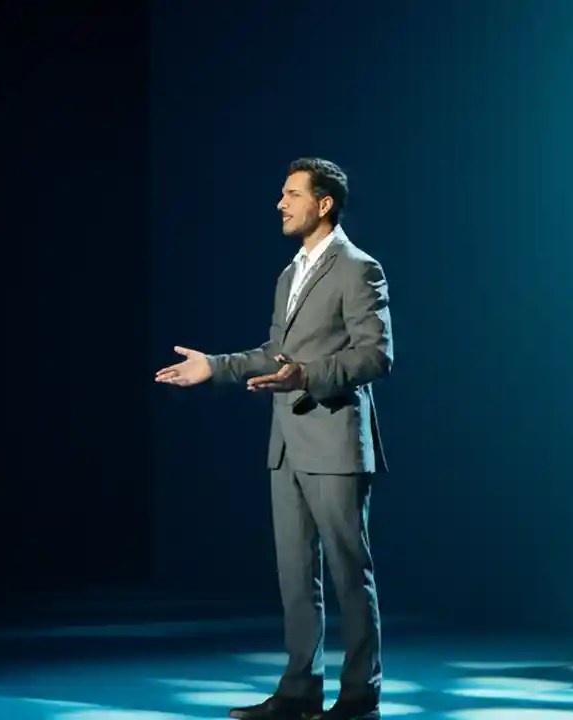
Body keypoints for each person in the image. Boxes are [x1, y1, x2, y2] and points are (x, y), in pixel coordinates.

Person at [155, 158, 392, 720]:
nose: (280, 204)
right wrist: (214, 366)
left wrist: (307, 375)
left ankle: (361, 698)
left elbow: (376, 355)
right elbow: (274, 354)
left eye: (291, 194)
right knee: (295, 576)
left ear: (323, 203)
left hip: (335, 443)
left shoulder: (359, 268)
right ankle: (299, 690)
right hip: (285, 444)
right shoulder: (289, 274)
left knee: (347, 573)